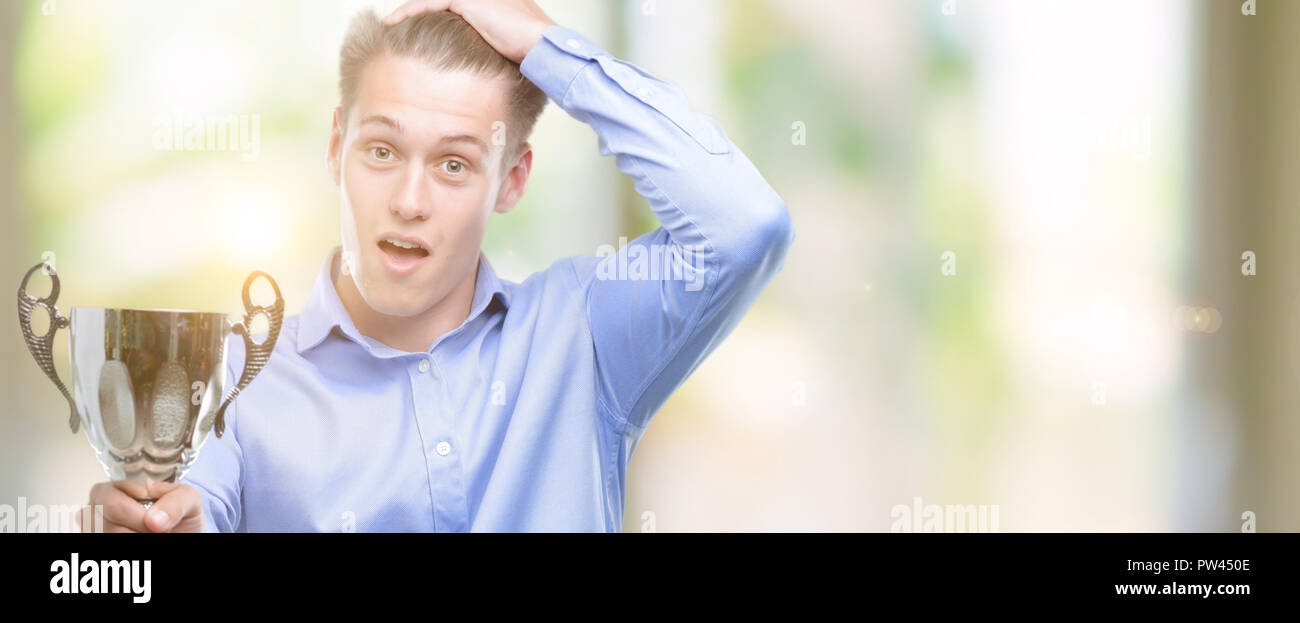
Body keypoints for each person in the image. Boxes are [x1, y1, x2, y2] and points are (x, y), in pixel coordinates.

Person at [87, 0, 792, 532]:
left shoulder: (584, 338)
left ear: (512, 180)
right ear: (337, 147)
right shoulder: (231, 381)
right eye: (383, 151)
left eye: (454, 164)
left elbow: (742, 224)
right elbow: (181, 519)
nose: (409, 200)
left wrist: (547, 47)